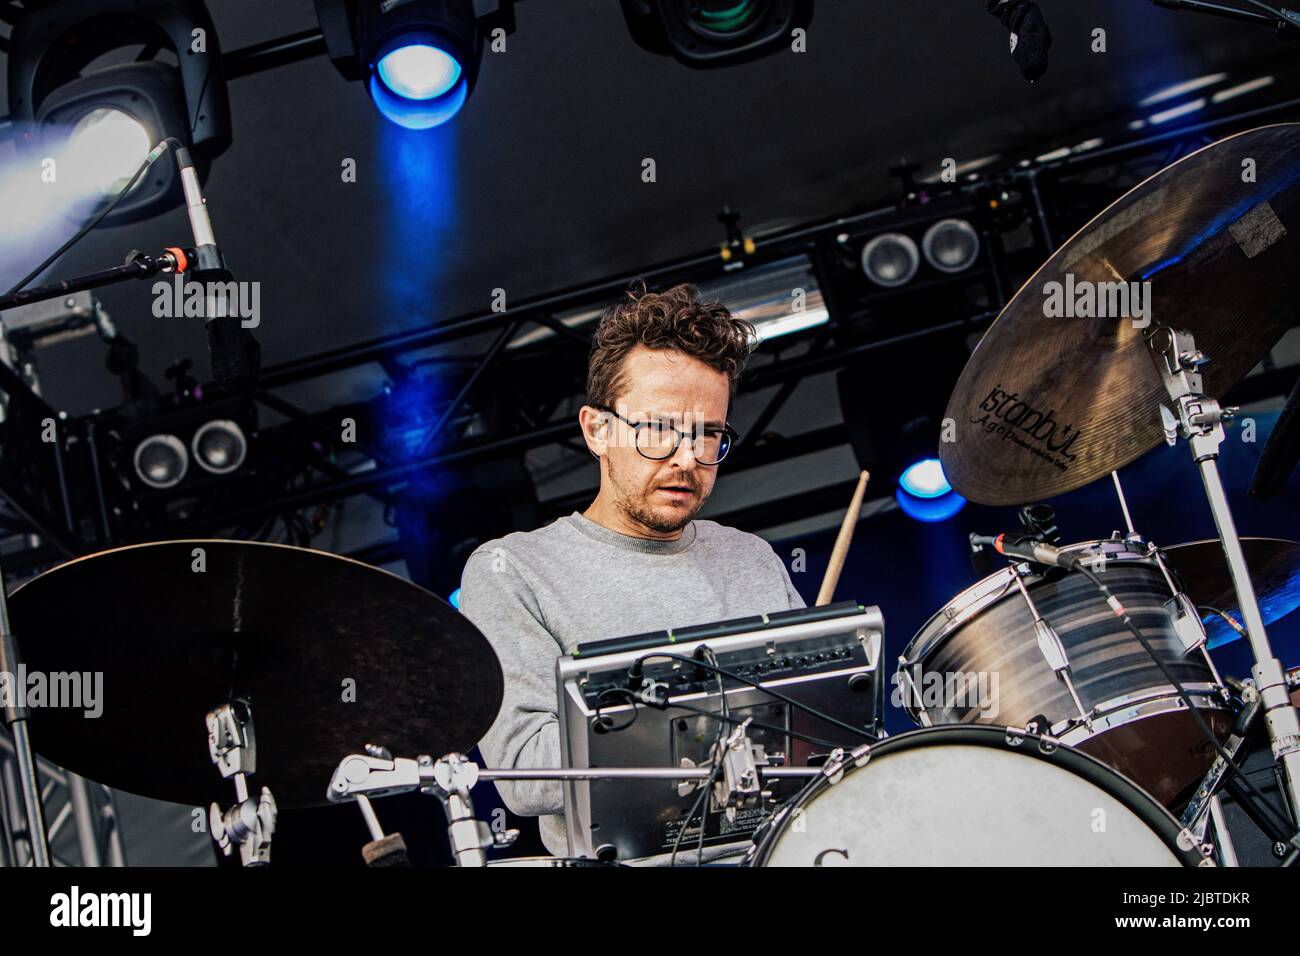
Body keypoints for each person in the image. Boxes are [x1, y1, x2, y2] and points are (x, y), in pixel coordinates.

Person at [458, 281, 805, 859]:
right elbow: (525, 774)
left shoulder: (750, 559)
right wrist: (715, 722)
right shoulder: (511, 571)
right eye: (660, 429)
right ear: (597, 429)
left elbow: (811, 733)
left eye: (709, 434)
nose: (687, 458)